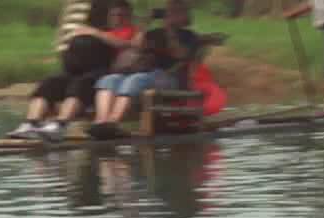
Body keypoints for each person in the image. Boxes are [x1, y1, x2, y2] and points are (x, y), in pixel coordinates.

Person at [86, 0, 224, 139]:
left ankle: (113, 122)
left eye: (176, 12)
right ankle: (101, 121)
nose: (171, 15)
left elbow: (180, 54)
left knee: (136, 79)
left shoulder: (189, 36)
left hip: (172, 79)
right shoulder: (154, 33)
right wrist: (147, 23)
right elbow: (136, 47)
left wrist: (169, 29)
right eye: (169, 11)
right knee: (109, 79)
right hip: (147, 75)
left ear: (185, 16)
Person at [7, 0, 140, 141]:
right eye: (114, 15)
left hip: (103, 73)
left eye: (122, 15)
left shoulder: (134, 32)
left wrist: (95, 33)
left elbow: (128, 45)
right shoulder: (101, 29)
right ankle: (30, 123)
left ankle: (60, 125)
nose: (118, 19)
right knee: (50, 83)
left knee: (81, 84)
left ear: (129, 16)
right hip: (77, 68)